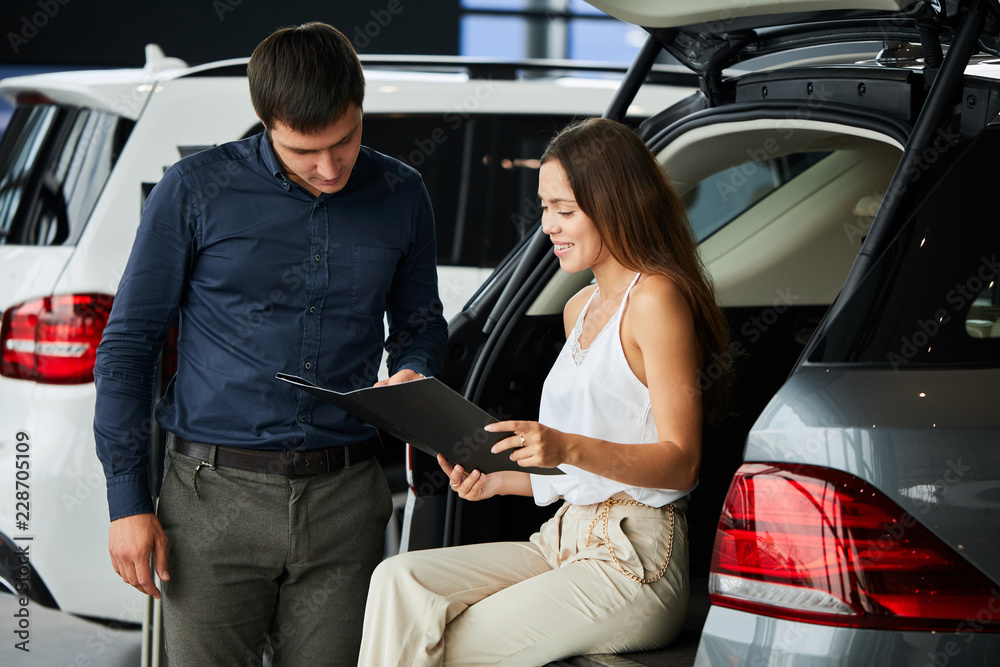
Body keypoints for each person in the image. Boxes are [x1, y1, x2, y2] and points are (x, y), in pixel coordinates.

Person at [93, 22, 447, 667]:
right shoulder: (194, 190)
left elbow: (421, 324)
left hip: (348, 500)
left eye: (345, 140)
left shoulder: (402, 193)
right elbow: (128, 347)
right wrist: (127, 504)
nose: (330, 167)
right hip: (209, 501)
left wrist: (414, 373)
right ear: (264, 121)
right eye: (303, 151)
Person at [358, 117, 729, 666]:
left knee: (444, 645)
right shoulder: (578, 309)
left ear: (615, 204)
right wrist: (501, 481)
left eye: (565, 210)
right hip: (561, 539)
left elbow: (681, 464)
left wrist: (564, 446)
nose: (548, 226)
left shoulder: (656, 300)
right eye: (544, 208)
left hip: (635, 558)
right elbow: (583, 470)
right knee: (400, 578)